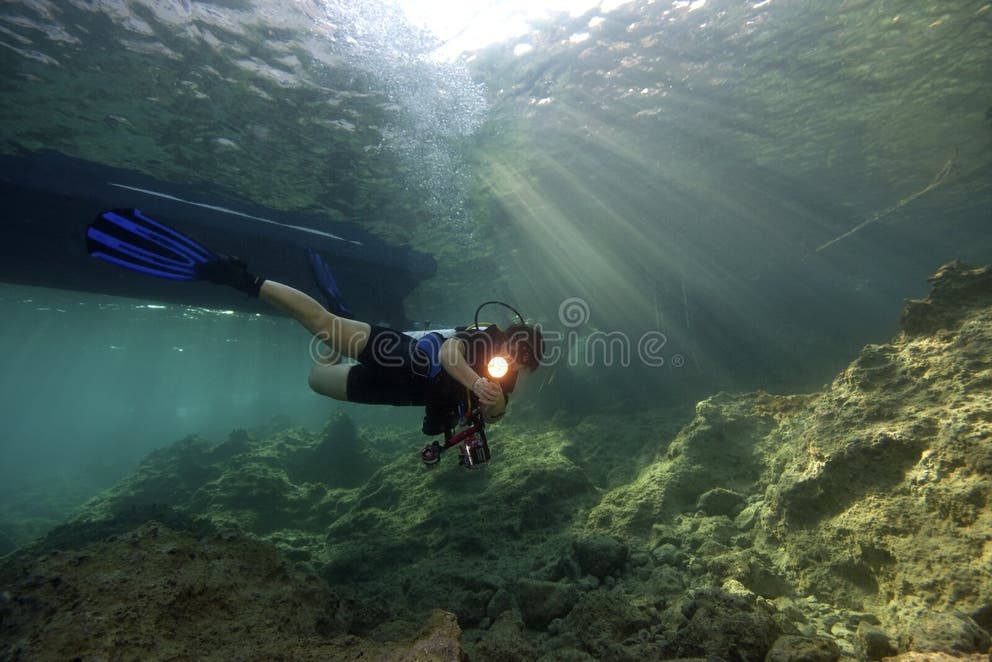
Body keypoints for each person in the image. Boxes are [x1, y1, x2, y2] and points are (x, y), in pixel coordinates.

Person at [84, 208, 542, 448]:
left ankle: (342, 311)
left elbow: (493, 418)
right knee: (324, 328)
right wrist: (479, 379)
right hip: (407, 357)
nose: (514, 362)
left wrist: (496, 400)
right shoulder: (487, 340)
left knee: (315, 380)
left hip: (402, 393)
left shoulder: (508, 379)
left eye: (523, 362)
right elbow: (447, 356)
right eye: (517, 352)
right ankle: (240, 278)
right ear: (511, 337)